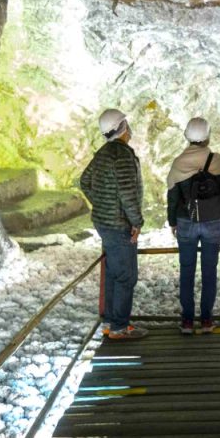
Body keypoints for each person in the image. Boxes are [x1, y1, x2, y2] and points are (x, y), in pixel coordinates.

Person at [78, 108, 147, 340]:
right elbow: (127, 193)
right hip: (119, 225)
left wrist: (101, 203)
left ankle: (109, 322)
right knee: (126, 276)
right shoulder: (122, 155)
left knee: (112, 273)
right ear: (122, 127)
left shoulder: (103, 153)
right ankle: (119, 327)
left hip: (104, 222)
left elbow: (85, 181)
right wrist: (136, 221)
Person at [166, 116, 220, 335]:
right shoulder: (219, 161)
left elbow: (173, 197)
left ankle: (186, 321)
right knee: (209, 271)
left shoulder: (178, 163)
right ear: (208, 137)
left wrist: (172, 222)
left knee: (187, 271)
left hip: (186, 221)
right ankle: (206, 320)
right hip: (212, 222)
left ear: (187, 136)